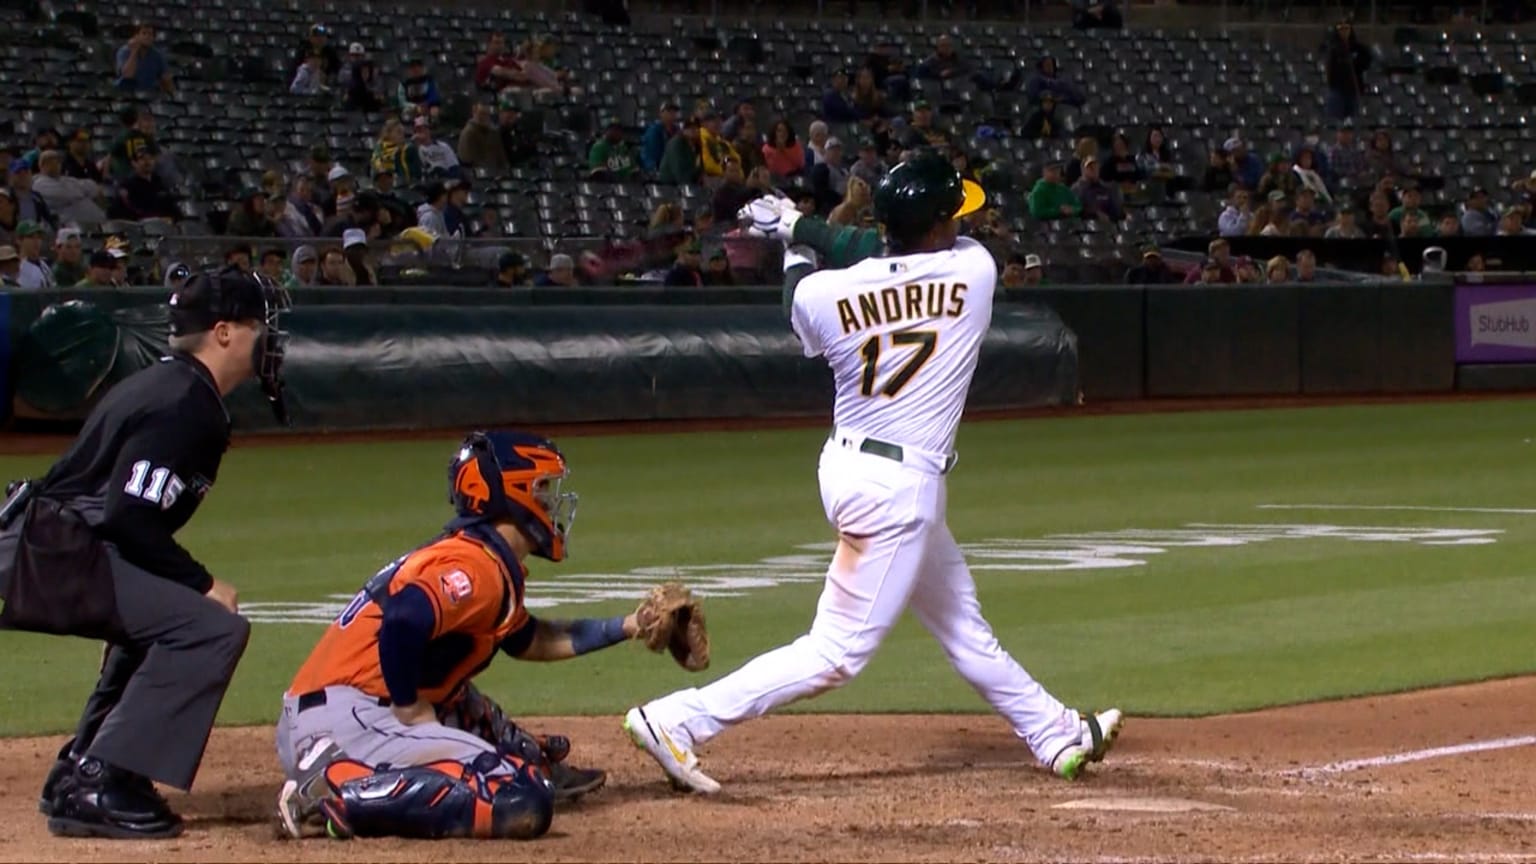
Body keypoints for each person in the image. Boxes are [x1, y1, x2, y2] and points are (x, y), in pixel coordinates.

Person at [623, 152, 1124, 794]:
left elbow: (804, 291)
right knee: (835, 654)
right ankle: (676, 720)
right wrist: (807, 225)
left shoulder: (828, 292)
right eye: (953, 213)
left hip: (850, 466)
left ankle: (1057, 734)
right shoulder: (974, 270)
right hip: (898, 491)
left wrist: (793, 236)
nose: (963, 221)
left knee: (963, 624)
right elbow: (869, 243)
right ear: (937, 225)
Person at [273, 432, 706, 840]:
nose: (551, 503)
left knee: (461, 697)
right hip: (350, 721)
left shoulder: (484, 562)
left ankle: (515, 756)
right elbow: (404, 619)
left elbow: (530, 639)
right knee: (522, 796)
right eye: (541, 489)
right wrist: (409, 709)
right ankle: (335, 792)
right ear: (513, 495)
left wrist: (630, 625)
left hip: (333, 713)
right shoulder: (475, 567)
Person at [0, 268, 290, 839]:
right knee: (209, 626)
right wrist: (202, 582)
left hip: (50, 543)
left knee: (168, 617)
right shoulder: (185, 402)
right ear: (224, 332)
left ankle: (83, 768)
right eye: (261, 328)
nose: (270, 342)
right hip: (53, 552)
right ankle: (101, 779)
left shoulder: (171, 385)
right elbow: (128, 517)